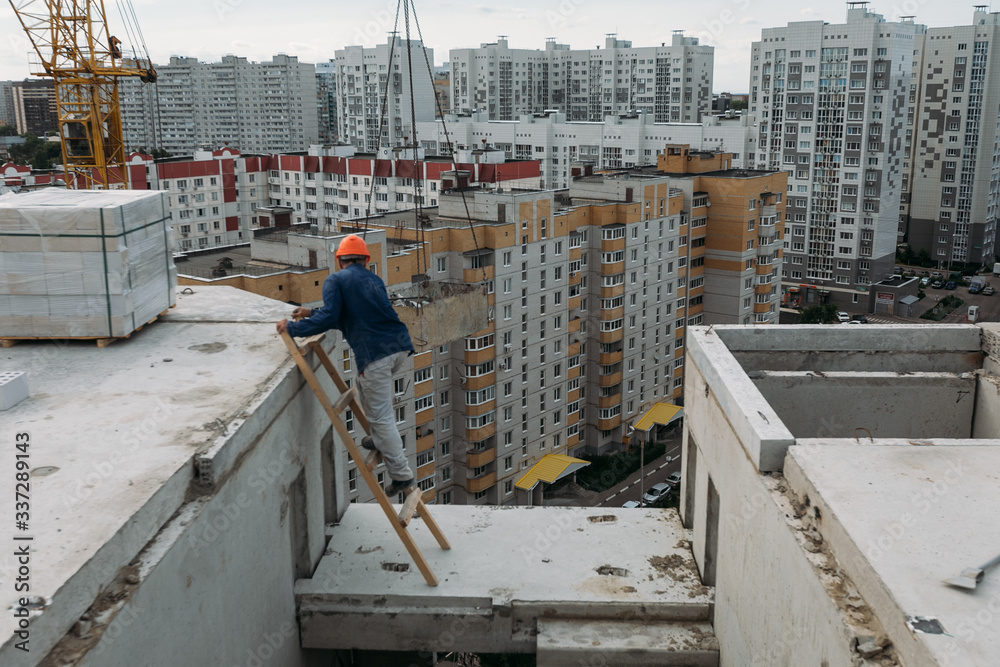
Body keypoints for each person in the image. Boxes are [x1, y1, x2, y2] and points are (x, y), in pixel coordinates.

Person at [277, 234, 415, 496]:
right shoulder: (374, 280)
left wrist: (293, 328)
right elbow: (347, 317)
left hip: (375, 354)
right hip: (397, 347)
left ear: (339, 260)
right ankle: (378, 439)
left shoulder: (335, 280)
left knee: (382, 417)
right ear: (366, 260)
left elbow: (329, 319)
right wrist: (310, 313)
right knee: (366, 392)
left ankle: (402, 475)